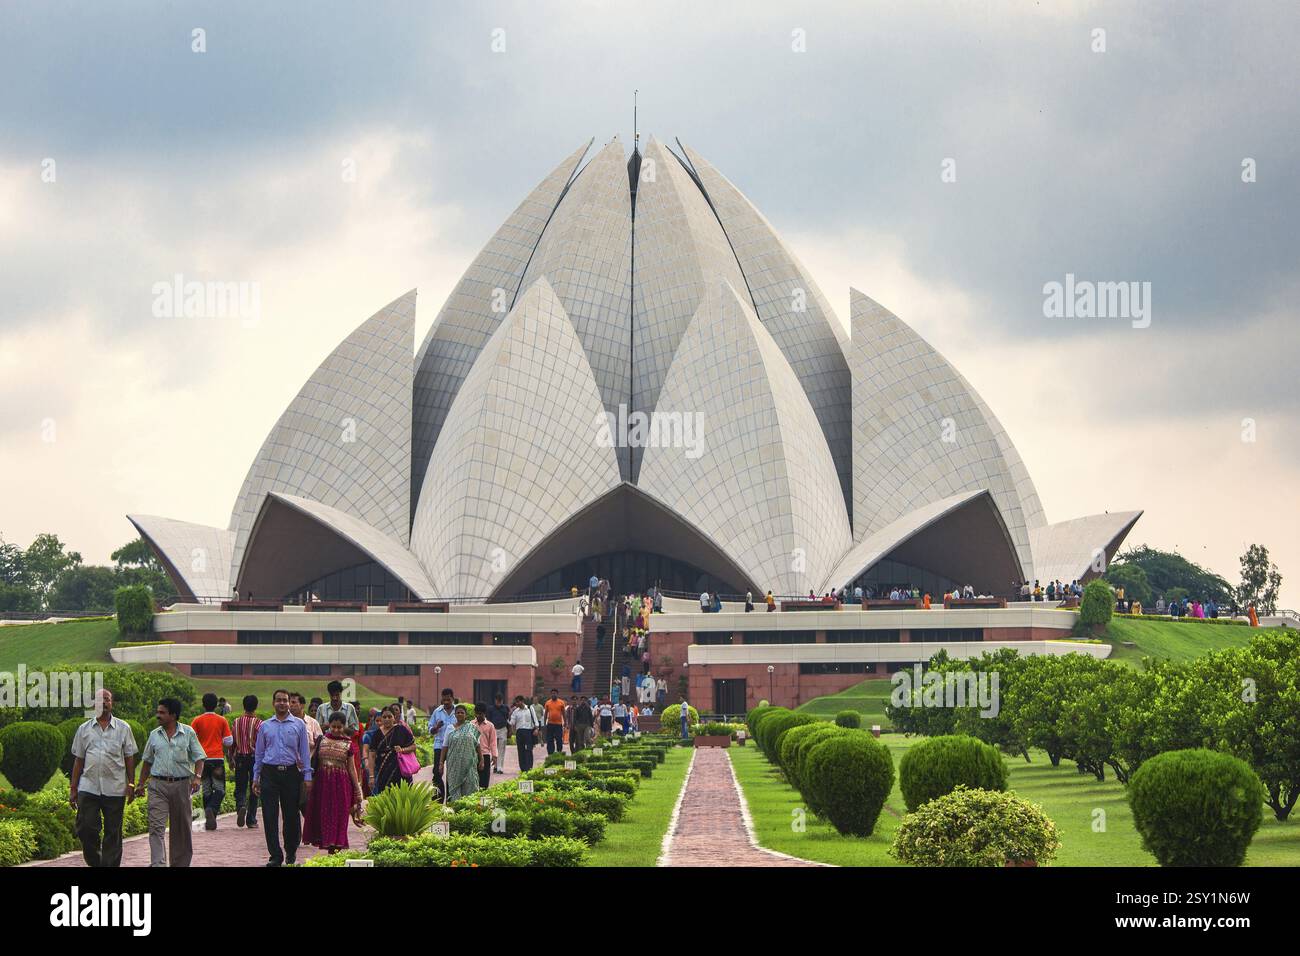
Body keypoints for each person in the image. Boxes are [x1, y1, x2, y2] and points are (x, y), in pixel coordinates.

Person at [68, 688, 137, 867]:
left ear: (112, 703)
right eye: (99, 700)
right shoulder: (84, 729)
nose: (104, 703)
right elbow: (79, 760)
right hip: (88, 786)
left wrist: (131, 783)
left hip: (115, 788)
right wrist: (73, 788)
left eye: (107, 699)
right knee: (86, 828)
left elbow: (129, 757)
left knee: (113, 832)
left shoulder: (123, 728)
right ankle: (96, 862)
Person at [137, 697, 207, 868]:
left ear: (173, 715)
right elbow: (147, 761)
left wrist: (197, 777)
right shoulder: (154, 735)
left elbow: (200, 757)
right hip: (157, 786)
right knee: (156, 828)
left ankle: (180, 864)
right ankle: (158, 864)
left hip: (182, 785)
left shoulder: (188, 733)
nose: (157, 715)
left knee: (181, 829)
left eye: (162, 712)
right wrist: (140, 784)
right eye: (158, 711)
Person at [252, 689, 313, 867]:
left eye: (285, 700)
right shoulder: (265, 726)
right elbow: (259, 753)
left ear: (290, 703)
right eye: (278, 700)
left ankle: (291, 851)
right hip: (269, 773)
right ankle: (275, 856)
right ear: (273, 703)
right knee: (269, 815)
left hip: (291, 773)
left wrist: (307, 776)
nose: (282, 703)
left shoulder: (299, 725)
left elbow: (304, 753)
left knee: (291, 815)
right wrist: (256, 777)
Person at [302, 712, 363, 853]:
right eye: (333, 726)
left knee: (339, 816)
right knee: (324, 815)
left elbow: (352, 769)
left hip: (341, 785)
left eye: (339, 727)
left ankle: (336, 847)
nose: (336, 730)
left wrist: (357, 789)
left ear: (344, 726)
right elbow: (314, 763)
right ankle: (329, 846)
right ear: (329, 725)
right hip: (322, 785)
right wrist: (309, 780)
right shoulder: (321, 740)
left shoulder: (348, 744)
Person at [191, 692, 234, 830]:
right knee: (220, 790)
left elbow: (191, 739)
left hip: (202, 760)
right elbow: (229, 741)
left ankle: (210, 818)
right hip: (217, 758)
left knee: (207, 790)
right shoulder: (222, 720)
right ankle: (211, 809)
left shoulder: (196, 720)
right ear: (216, 705)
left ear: (203, 705)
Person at [370, 707, 416, 794]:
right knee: (385, 798)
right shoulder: (377, 734)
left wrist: (402, 750)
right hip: (383, 772)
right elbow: (372, 755)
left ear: (394, 717)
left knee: (403, 798)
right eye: (384, 717)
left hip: (401, 771)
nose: (387, 719)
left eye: (389, 716)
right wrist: (371, 776)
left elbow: (413, 746)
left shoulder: (401, 730)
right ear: (381, 718)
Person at [231, 694, 261, 828]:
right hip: (254, 758)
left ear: (244, 705)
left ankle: (241, 806)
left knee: (240, 786)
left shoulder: (236, 721)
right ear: (256, 706)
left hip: (240, 758)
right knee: (254, 788)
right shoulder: (259, 723)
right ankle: (251, 819)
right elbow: (262, 744)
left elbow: (232, 742)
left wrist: (231, 757)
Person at [441, 704, 480, 802]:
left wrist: (482, 760)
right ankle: (455, 809)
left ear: (466, 715)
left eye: (462, 712)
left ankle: (469, 808)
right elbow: (445, 746)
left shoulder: (471, 728)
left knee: (470, 784)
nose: (460, 714)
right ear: (455, 715)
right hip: (454, 764)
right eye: (457, 713)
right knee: (454, 787)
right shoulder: (450, 728)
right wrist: (441, 762)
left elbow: (478, 745)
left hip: (469, 764)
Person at [427, 688, 458, 798]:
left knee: (452, 773)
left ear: (452, 699)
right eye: (444, 700)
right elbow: (430, 729)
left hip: (454, 746)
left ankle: (451, 799)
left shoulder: (457, 711)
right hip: (439, 745)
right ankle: (438, 800)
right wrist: (436, 727)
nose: (446, 702)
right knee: (437, 772)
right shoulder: (437, 712)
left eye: (448, 700)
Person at [509, 695, 538, 771]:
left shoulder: (530, 708)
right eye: (516, 702)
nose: (517, 703)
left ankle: (529, 767)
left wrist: (536, 729)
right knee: (521, 750)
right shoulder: (515, 711)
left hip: (529, 731)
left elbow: (535, 719)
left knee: (529, 750)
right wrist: (510, 713)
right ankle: (523, 768)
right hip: (520, 732)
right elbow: (512, 722)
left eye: (518, 702)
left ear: (522, 701)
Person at [472, 703, 497, 791]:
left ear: (485, 713)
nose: (479, 716)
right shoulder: (471, 725)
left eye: (481, 714)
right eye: (477, 713)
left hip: (485, 755)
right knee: (473, 781)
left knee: (484, 781)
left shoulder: (490, 726)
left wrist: (494, 756)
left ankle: (483, 801)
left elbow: (493, 742)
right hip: (473, 755)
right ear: (475, 713)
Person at [486, 693, 510, 774]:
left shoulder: (506, 708)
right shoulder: (490, 709)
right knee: (493, 749)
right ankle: (495, 766)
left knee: (502, 749)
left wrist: (509, 731)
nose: (499, 702)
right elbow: (488, 720)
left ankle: (500, 768)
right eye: (497, 700)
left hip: (503, 729)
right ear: (495, 700)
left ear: (502, 700)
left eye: (500, 701)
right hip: (493, 729)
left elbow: (508, 719)